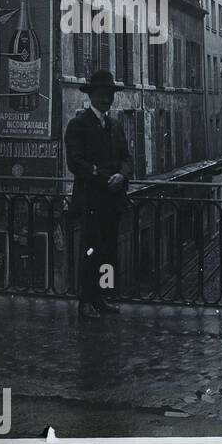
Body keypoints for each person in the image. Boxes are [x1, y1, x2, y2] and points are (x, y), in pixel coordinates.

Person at [64, 70, 132, 320]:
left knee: (107, 251)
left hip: (112, 201)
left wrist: (123, 176)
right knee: (90, 251)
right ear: (92, 95)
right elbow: (76, 162)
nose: (107, 100)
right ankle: (85, 302)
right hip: (91, 200)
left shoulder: (115, 125)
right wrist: (107, 179)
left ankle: (101, 298)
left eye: (110, 95)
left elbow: (126, 158)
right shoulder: (78, 124)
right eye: (102, 95)